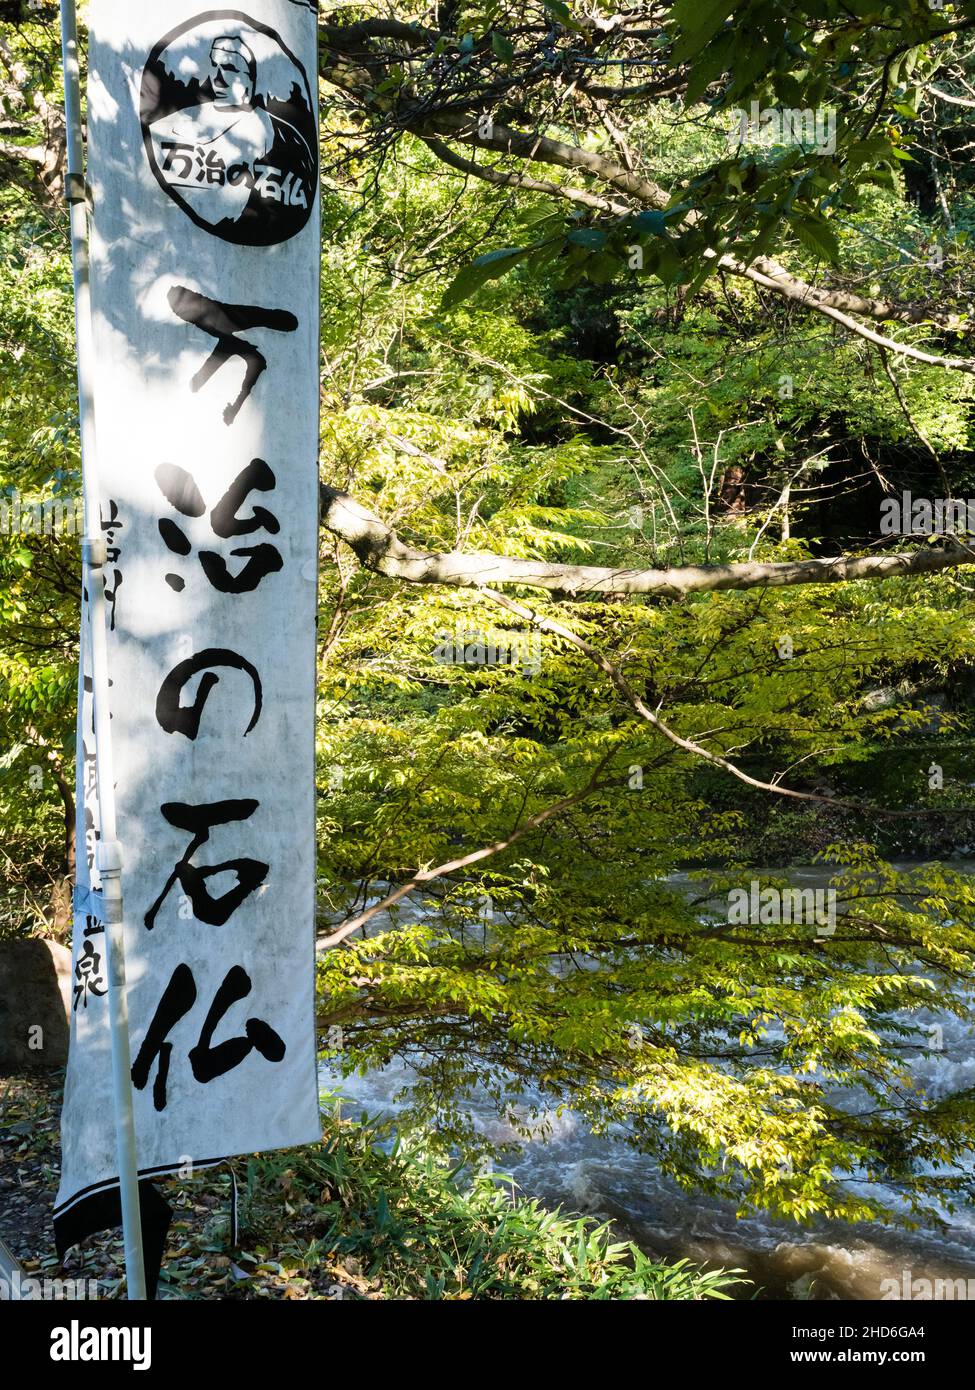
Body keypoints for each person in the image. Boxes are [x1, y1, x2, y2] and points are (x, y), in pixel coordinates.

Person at [150, 36, 275, 231]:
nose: (217, 79)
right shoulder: (185, 117)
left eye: (229, 69)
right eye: (215, 66)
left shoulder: (263, 126)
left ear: (250, 79)